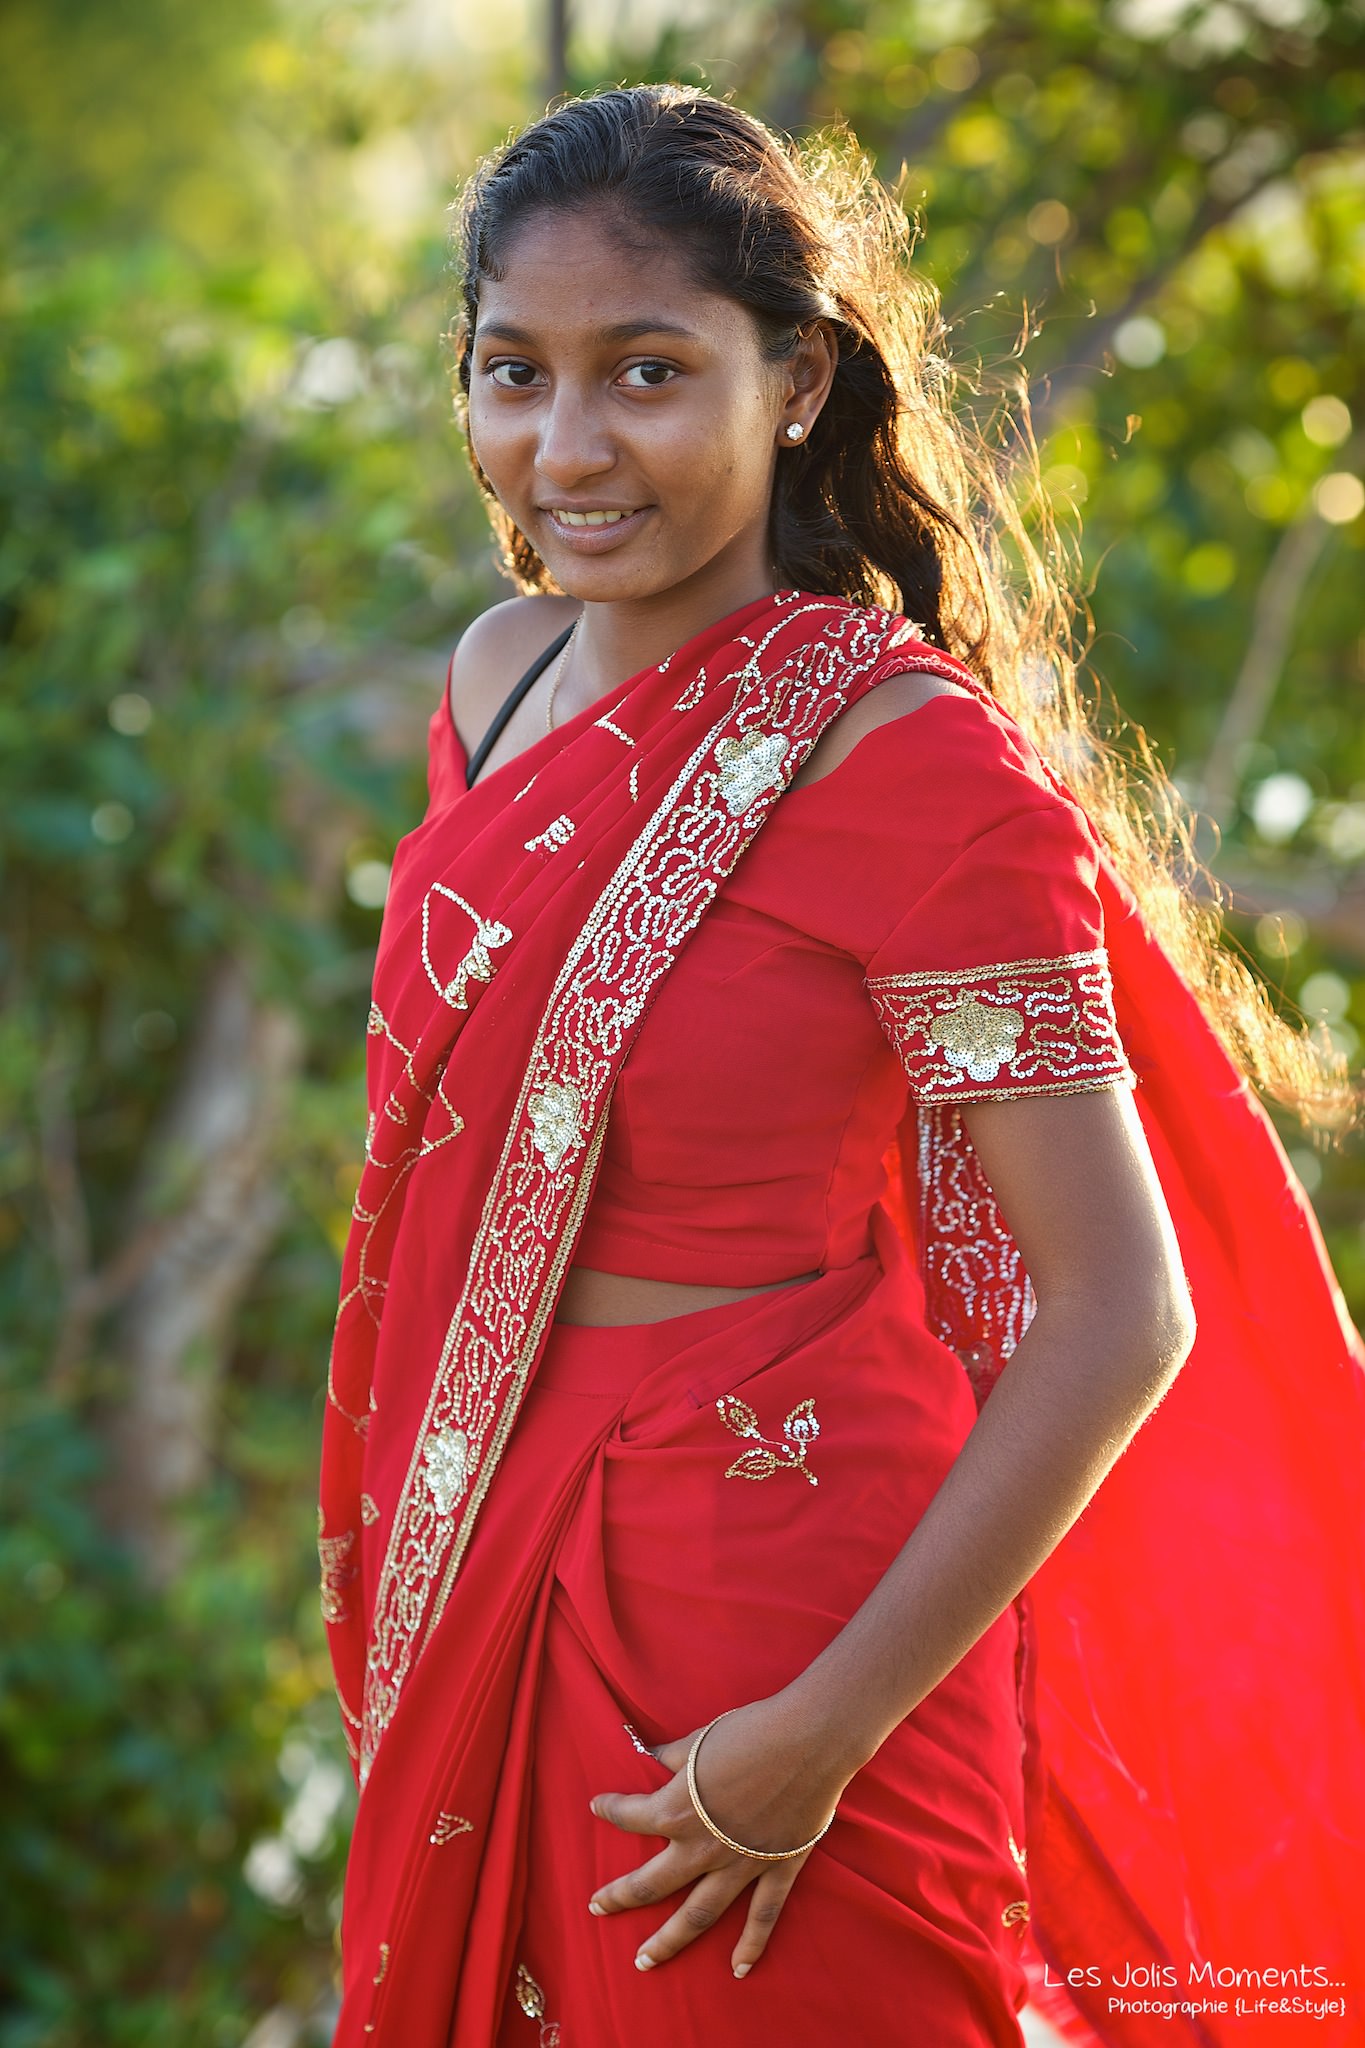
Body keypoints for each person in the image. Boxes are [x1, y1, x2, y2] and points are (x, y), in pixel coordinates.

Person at [318, 84, 1365, 2048]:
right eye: (508, 374)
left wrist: (814, 1734)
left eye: (644, 372)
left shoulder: (904, 762)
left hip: (781, 1612)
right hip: (493, 1545)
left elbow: (1115, 1310)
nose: (564, 447)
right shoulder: (499, 682)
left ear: (793, 377)